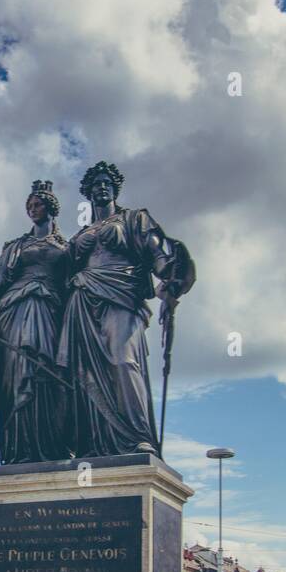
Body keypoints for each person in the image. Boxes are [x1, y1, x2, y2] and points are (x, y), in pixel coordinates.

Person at [56, 161, 196, 458]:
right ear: (88, 192)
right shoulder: (81, 233)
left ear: (115, 188)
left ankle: (137, 437)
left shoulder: (135, 219)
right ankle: (92, 443)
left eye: (107, 182)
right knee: (84, 374)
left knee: (123, 361)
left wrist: (168, 278)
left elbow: (157, 254)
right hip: (82, 298)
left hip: (121, 293)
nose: (102, 187)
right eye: (96, 184)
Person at [0, 180, 71, 464]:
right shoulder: (16, 247)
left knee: (49, 377)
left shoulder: (68, 247)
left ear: (51, 208)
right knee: (19, 376)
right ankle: (20, 449)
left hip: (53, 314)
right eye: (29, 206)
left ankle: (52, 446)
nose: (32, 210)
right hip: (15, 314)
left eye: (38, 204)